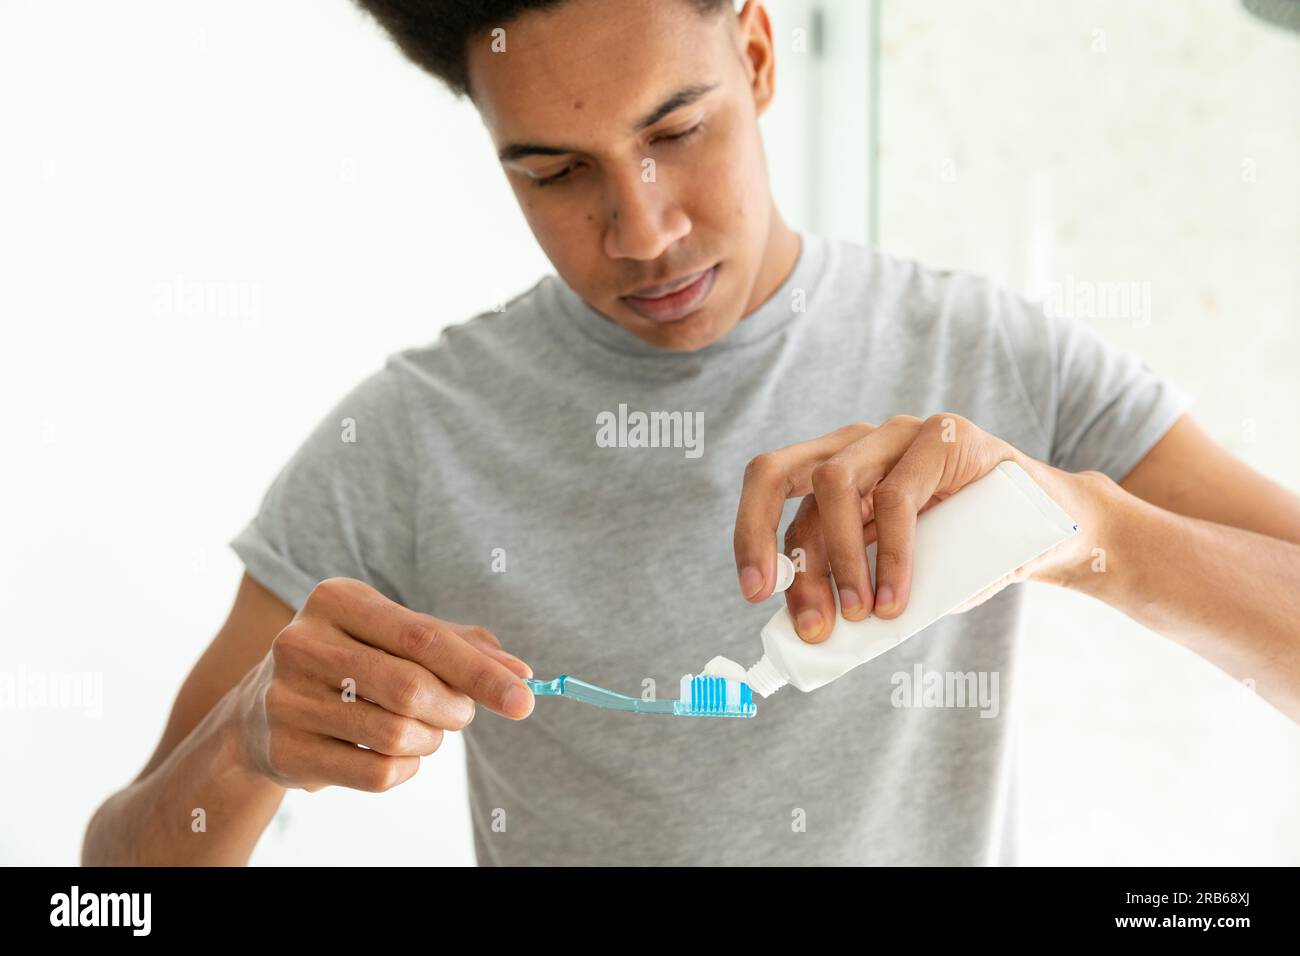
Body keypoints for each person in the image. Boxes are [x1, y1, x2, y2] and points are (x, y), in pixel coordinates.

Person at [82, 0, 1300, 866]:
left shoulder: (988, 360)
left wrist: (1088, 531)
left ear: (759, 55)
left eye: (675, 132)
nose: (642, 230)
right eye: (556, 173)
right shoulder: (408, 441)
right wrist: (243, 748)